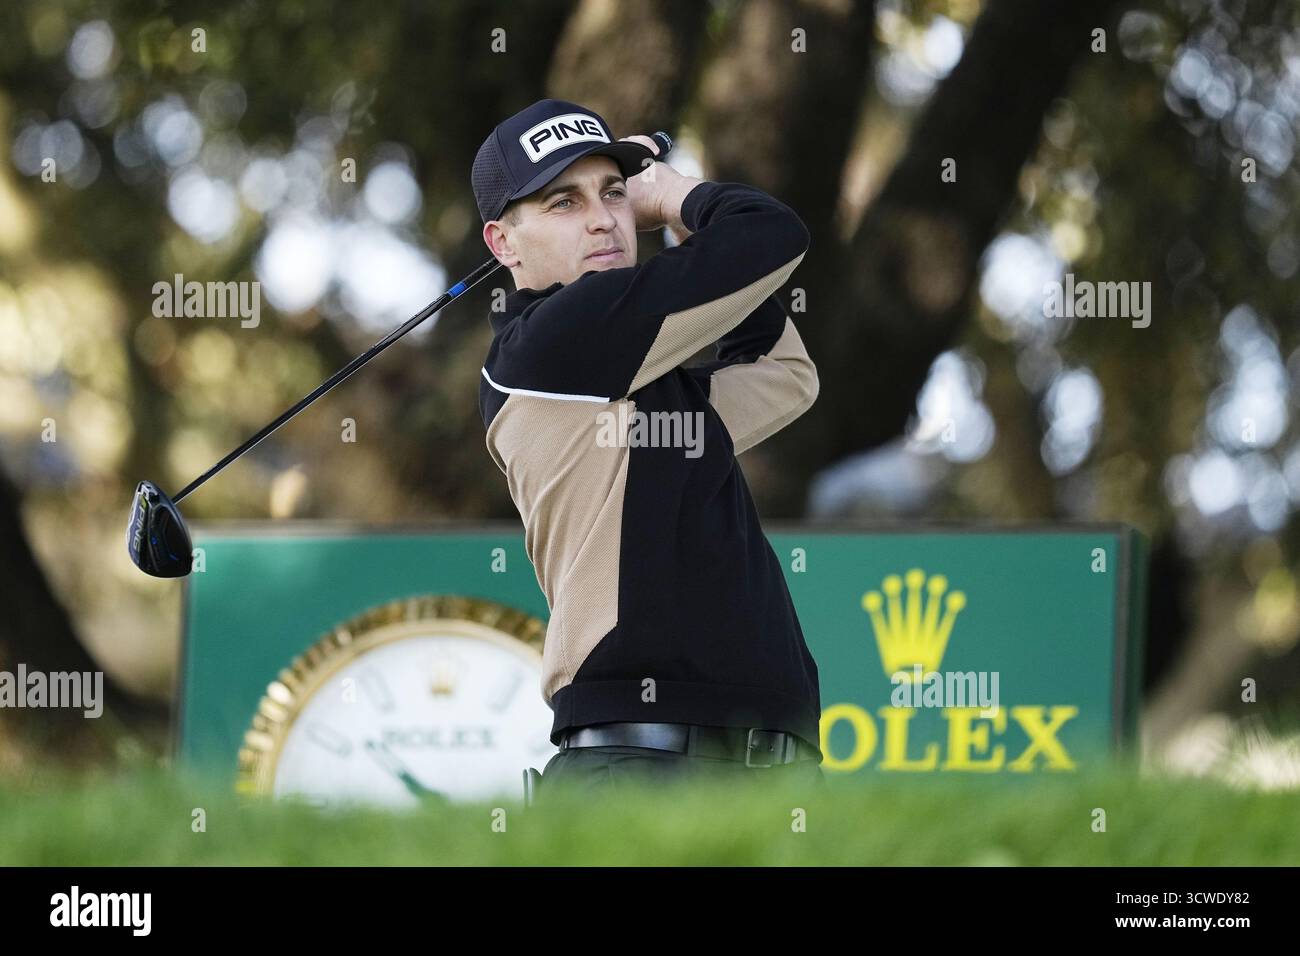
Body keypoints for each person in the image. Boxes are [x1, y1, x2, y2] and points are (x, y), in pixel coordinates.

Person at [472, 99, 824, 802]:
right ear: (505, 245)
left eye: (613, 193)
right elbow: (771, 234)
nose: (604, 218)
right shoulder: (553, 342)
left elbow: (785, 376)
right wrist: (675, 200)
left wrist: (675, 233)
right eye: (563, 202)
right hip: (640, 769)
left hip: (755, 773)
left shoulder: (636, 375)